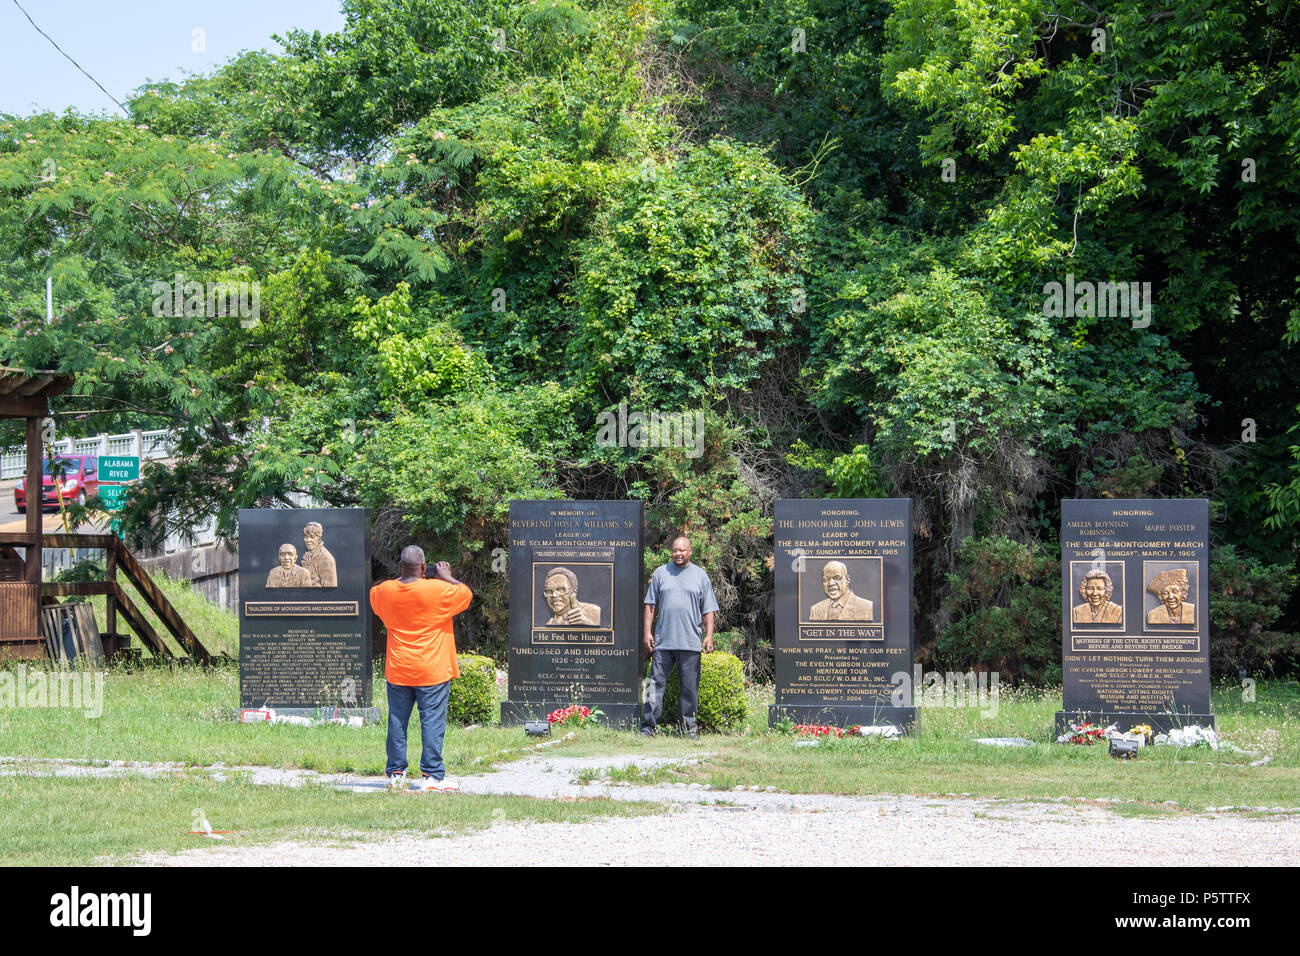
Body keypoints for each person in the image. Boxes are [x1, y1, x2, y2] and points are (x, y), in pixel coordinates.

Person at [369, 546, 472, 792]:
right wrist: (445, 576)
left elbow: (377, 594)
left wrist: (402, 578)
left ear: (400, 566)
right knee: (432, 722)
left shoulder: (383, 592)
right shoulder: (439, 590)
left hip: (399, 668)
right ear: (425, 567)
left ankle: (396, 774)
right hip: (432, 669)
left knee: (397, 721)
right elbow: (466, 594)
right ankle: (432, 776)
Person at [641, 536, 719, 738]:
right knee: (653, 687)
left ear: (690, 551)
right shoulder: (660, 573)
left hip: (690, 643)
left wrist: (709, 635)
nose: (678, 553)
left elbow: (708, 610)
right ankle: (648, 728)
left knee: (689, 689)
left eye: (682, 550)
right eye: (675, 550)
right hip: (662, 642)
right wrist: (647, 633)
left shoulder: (700, 576)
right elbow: (650, 605)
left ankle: (687, 729)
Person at [808, 561, 874, 621]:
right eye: (825, 580)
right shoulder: (815, 610)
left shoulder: (867, 608)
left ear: (847, 580)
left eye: (837, 578)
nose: (830, 584)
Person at [301, 521, 338, 587]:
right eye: (306, 537)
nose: (308, 540)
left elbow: (329, 588)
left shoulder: (325, 559)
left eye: (312, 537)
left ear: (319, 538)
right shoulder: (307, 555)